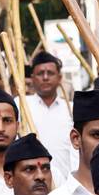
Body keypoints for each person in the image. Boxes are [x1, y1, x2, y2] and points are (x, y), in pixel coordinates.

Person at [26, 51, 74, 183]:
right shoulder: (22, 106)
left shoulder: (71, 109)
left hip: (66, 184)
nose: (45, 77)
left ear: (59, 78)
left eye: (50, 73)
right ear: (32, 77)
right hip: (32, 184)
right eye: (40, 73)